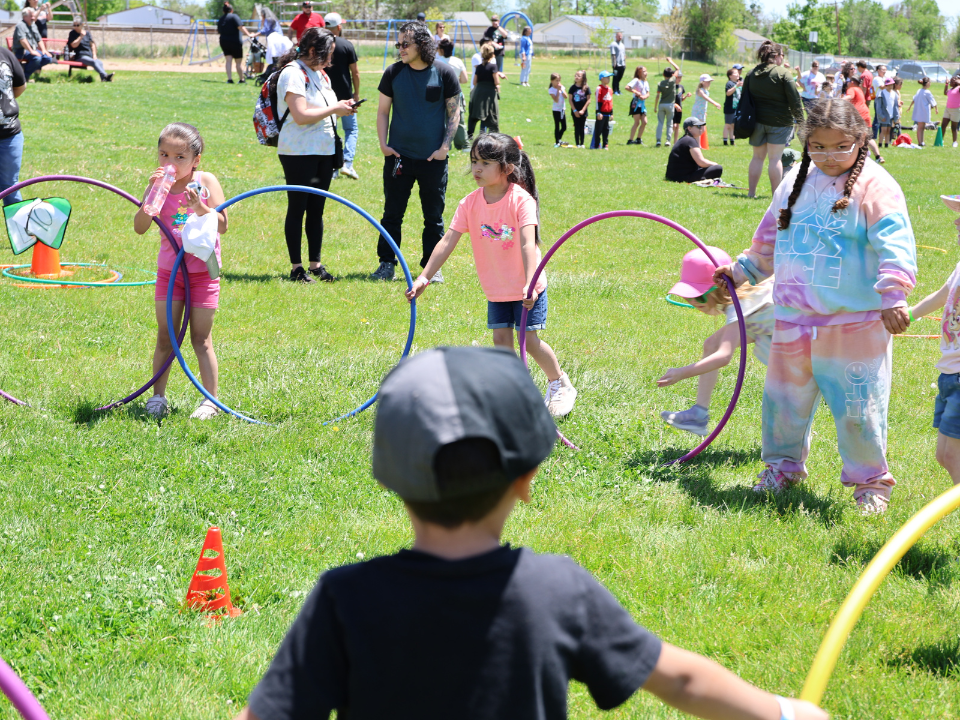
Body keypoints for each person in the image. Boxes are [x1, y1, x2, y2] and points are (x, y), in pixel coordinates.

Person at [231, 342, 829, 720]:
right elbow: (680, 678)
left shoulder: (345, 598)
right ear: (528, 479)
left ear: (389, 478)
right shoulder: (555, 589)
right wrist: (784, 713)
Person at [714, 98, 917, 515]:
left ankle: (870, 485)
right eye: (818, 147)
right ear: (805, 144)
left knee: (860, 411)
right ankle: (781, 470)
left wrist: (894, 295)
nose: (828, 156)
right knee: (783, 404)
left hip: (853, 325)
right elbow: (769, 240)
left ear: (861, 139)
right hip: (792, 319)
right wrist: (740, 271)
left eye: (840, 146)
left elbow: (895, 247)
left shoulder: (878, 187)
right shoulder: (793, 181)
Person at [406, 133, 578, 416]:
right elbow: (447, 240)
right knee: (501, 342)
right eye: (474, 161)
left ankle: (559, 384)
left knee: (529, 341)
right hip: (497, 286)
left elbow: (527, 242)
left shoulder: (521, 200)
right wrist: (425, 276)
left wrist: (529, 284)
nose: (476, 169)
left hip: (527, 286)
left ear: (508, 168)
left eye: (485, 163)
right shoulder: (470, 203)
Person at [134, 123, 228, 421]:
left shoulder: (205, 181)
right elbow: (139, 228)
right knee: (166, 337)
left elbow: (223, 224)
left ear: (196, 159)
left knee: (201, 338)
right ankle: (158, 397)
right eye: (163, 155)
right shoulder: (157, 187)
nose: (169, 164)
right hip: (170, 274)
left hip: (202, 272)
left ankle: (210, 401)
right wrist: (150, 198)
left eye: (179, 157)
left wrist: (201, 207)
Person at [370, 21, 460, 283]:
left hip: (433, 159)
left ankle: (431, 269)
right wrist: (384, 145)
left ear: (422, 44)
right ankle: (386, 263)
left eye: (405, 44)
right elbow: (383, 111)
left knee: (433, 217)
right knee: (392, 214)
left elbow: (454, 113)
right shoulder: (393, 72)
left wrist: (444, 148)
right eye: (398, 44)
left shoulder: (444, 72)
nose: (400, 48)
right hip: (398, 158)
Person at [658, 247, 774, 437]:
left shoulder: (739, 306)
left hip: (799, 341)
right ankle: (698, 414)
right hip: (772, 327)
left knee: (784, 399)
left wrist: (681, 372)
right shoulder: (748, 294)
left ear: (715, 290)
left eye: (697, 297)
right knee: (710, 344)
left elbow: (723, 356)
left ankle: (786, 448)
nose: (693, 304)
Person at [272, 28, 356, 283]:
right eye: (327, 55)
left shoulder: (321, 75)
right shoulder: (292, 74)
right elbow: (299, 115)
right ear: (311, 51)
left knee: (317, 209)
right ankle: (296, 268)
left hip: (323, 150)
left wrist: (343, 109)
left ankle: (315, 265)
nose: (330, 61)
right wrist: (336, 108)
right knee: (298, 208)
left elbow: (323, 109)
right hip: (298, 152)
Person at [906, 195, 960, 485]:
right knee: (944, 456)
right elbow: (941, 296)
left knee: (953, 456)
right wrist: (908, 316)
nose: (956, 222)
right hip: (949, 375)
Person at [742, 41, 802, 199]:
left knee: (757, 158)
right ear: (776, 56)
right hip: (779, 123)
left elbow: (744, 99)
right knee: (775, 159)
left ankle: (751, 193)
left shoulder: (751, 73)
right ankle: (776, 196)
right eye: (782, 55)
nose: (782, 58)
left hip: (756, 122)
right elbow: (795, 100)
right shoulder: (783, 73)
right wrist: (801, 120)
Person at [324, 12, 361, 180]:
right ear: (339, 27)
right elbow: (355, 73)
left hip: (325, 97)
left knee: (330, 130)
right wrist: (356, 94)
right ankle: (347, 163)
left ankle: (332, 167)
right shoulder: (346, 45)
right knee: (351, 129)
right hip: (346, 96)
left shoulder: (321, 46)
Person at [0, 40, 26, 207]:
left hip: (9, 134)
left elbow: (19, 87)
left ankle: (21, 233)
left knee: (10, 188)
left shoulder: (5, 55)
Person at [665, 118, 722, 183]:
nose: (700, 128)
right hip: (682, 178)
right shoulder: (690, 140)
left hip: (673, 176)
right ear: (689, 128)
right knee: (718, 168)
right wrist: (715, 164)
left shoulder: (684, 139)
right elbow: (701, 162)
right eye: (698, 126)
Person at [436, 38, 468, 150]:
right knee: (459, 119)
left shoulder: (436, 61)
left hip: (441, 95)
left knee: (441, 121)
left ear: (441, 50)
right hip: (456, 94)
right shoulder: (458, 61)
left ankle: (445, 145)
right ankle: (463, 145)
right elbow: (464, 79)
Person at [844, 74, 884, 163]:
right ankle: (878, 157)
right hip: (865, 114)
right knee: (867, 137)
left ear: (852, 82)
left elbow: (849, 97)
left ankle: (857, 156)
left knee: (851, 135)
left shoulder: (852, 89)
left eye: (848, 81)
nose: (847, 83)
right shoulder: (860, 90)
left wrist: (837, 101)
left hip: (857, 115)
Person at [13, 8, 53, 82]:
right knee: (37, 58)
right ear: (25, 17)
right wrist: (31, 51)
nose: (33, 18)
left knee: (48, 58)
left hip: (32, 50)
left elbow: (39, 39)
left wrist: (44, 50)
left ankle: (24, 68)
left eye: (34, 16)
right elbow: (22, 40)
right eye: (31, 16)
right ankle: (25, 77)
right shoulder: (20, 25)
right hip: (21, 51)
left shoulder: (33, 25)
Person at [468, 43, 499, 138]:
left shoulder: (479, 67)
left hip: (478, 92)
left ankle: (470, 134)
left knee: (475, 114)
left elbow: (474, 82)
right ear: (492, 54)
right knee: (491, 114)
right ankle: (491, 135)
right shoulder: (493, 67)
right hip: (489, 93)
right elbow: (496, 81)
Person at [217, 2, 250, 84]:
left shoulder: (221, 19)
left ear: (223, 11)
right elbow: (240, 27)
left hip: (224, 41)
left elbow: (219, 31)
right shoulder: (234, 17)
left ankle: (229, 79)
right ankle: (241, 79)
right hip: (235, 42)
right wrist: (249, 34)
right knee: (238, 62)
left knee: (228, 60)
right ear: (231, 10)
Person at [907, 77, 937, 146]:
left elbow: (914, 99)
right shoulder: (927, 92)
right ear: (928, 83)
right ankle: (920, 142)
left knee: (922, 127)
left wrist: (910, 107)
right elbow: (933, 101)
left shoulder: (919, 90)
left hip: (920, 111)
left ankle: (922, 141)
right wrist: (936, 108)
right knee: (920, 127)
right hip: (922, 111)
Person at [251, 8, 280, 75]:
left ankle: (270, 73)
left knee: (273, 60)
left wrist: (255, 35)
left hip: (275, 42)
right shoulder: (273, 20)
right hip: (278, 43)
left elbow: (265, 30)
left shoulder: (269, 20)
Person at [653, 66, 677, 147]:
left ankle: (658, 140)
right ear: (672, 74)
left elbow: (657, 96)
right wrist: (671, 61)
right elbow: (677, 69)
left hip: (661, 104)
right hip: (670, 105)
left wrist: (655, 107)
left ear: (663, 74)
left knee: (660, 123)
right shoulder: (673, 80)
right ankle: (668, 140)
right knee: (669, 123)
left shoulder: (660, 83)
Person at [625, 65, 649, 145]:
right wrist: (636, 92)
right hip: (636, 104)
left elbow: (648, 93)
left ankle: (638, 139)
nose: (646, 73)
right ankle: (630, 140)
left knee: (644, 122)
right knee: (637, 122)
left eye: (646, 71)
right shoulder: (636, 80)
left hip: (642, 104)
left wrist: (644, 96)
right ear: (639, 73)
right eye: (643, 72)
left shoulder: (646, 82)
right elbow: (627, 87)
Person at [568, 69, 590, 148]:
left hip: (583, 111)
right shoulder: (572, 88)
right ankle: (577, 143)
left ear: (583, 78)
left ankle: (582, 143)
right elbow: (570, 100)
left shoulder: (586, 88)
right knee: (577, 127)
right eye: (576, 75)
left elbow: (588, 100)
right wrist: (575, 110)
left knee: (582, 127)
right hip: (575, 111)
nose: (576, 77)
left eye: (579, 76)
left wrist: (583, 110)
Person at [594, 70, 614, 149]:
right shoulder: (599, 88)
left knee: (606, 130)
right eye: (607, 77)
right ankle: (596, 144)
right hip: (601, 113)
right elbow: (597, 101)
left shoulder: (610, 89)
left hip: (607, 113)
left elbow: (611, 101)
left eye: (609, 77)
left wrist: (611, 113)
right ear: (602, 78)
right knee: (598, 130)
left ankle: (605, 144)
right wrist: (598, 112)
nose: (609, 79)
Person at [722, 67, 742, 146]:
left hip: (736, 108)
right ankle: (725, 142)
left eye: (738, 73)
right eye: (735, 73)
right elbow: (728, 93)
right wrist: (736, 86)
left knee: (733, 125)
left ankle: (732, 141)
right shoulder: (729, 83)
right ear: (730, 76)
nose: (737, 74)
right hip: (729, 108)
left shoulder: (737, 83)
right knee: (728, 125)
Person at [876, 76, 898, 148]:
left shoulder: (894, 94)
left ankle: (886, 144)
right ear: (886, 85)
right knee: (883, 130)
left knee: (889, 130)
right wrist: (881, 116)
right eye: (889, 85)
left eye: (892, 85)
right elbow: (878, 107)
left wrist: (896, 116)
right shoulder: (881, 94)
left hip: (891, 115)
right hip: (884, 115)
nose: (891, 86)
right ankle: (880, 144)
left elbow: (895, 106)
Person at [672, 69, 691, 143]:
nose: (679, 79)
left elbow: (681, 98)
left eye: (680, 78)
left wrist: (686, 96)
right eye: (678, 77)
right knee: (674, 126)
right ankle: (668, 140)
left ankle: (675, 142)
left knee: (677, 126)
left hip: (679, 109)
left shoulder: (681, 87)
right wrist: (675, 106)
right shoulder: (672, 87)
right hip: (673, 108)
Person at [547, 73, 566, 146]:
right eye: (556, 81)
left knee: (564, 127)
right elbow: (556, 100)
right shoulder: (551, 90)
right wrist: (558, 91)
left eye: (559, 80)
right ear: (552, 81)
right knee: (557, 126)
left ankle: (559, 138)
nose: (558, 82)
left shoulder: (562, 87)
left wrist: (562, 90)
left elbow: (566, 96)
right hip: (556, 110)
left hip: (562, 109)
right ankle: (557, 141)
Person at [942, 75, 960, 148]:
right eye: (950, 81)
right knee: (943, 125)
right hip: (948, 109)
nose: (951, 82)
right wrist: (946, 84)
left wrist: (959, 82)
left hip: (956, 110)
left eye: (952, 81)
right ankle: (941, 140)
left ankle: (954, 142)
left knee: (954, 127)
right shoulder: (951, 89)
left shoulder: (958, 88)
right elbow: (945, 93)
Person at [870, 64, 887, 139]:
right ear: (878, 70)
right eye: (882, 70)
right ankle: (874, 136)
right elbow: (882, 87)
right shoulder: (877, 79)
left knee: (883, 117)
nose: (884, 71)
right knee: (877, 118)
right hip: (879, 99)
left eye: (885, 70)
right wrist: (890, 83)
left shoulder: (885, 78)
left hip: (884, 98)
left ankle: (881, 135)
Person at [609, 30, 626, 95]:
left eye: (621, 36)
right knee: (615, 77)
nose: (620, 37)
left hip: (622, 64)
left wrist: (625, 63)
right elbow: (613, 54)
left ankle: (617, 89)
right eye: (619, 36)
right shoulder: (613, 44)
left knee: (620, 77)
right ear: (616, 36)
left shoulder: (622, 45)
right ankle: (615, 90)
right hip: (616, 65)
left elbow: (624, 55)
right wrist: (614, 63)